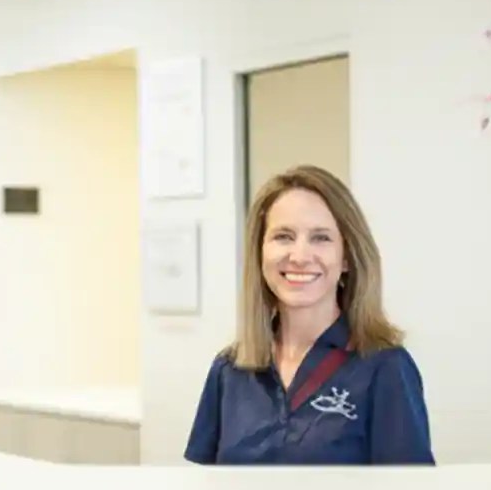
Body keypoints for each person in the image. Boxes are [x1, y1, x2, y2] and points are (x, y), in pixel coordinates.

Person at [184, 165, 433, 465]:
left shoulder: (386, 368)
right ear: (260, 253)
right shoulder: (229, 369)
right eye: (284, 236)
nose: (299, 256)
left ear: (347, 258)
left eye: (321, 238)